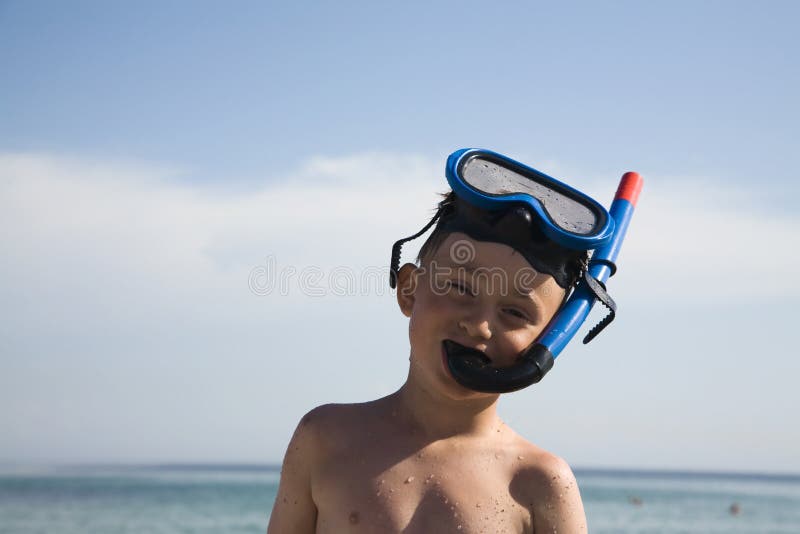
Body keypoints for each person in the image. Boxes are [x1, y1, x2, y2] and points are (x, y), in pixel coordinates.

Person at [267, 148, 633, 533]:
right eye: (459, 288)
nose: (479, 325)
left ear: (550, 338)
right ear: (409, 289)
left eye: (514, 312)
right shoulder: (325, 440)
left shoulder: (539, 483)